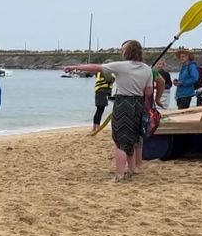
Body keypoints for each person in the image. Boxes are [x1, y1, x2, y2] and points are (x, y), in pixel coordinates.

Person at [64, 39, 152, 183]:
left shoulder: (120, 66)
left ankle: (119, 175)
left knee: (120, 141)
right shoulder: (147, 69)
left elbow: (95, 67)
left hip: (123, 103)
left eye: (123, 50)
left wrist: (73, 67)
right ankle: (131, 169)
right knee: (132, 138)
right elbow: (148, 92)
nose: (121, 52)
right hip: (138, 104)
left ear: (128, 52)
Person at [93, 67, 115, 132]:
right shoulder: (105, 72)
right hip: (102, 92)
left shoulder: (100, 72)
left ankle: (95, 126)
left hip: (100, 92)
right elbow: (110, 79)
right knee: (100, 109)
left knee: (99, 109)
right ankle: (97, 126)